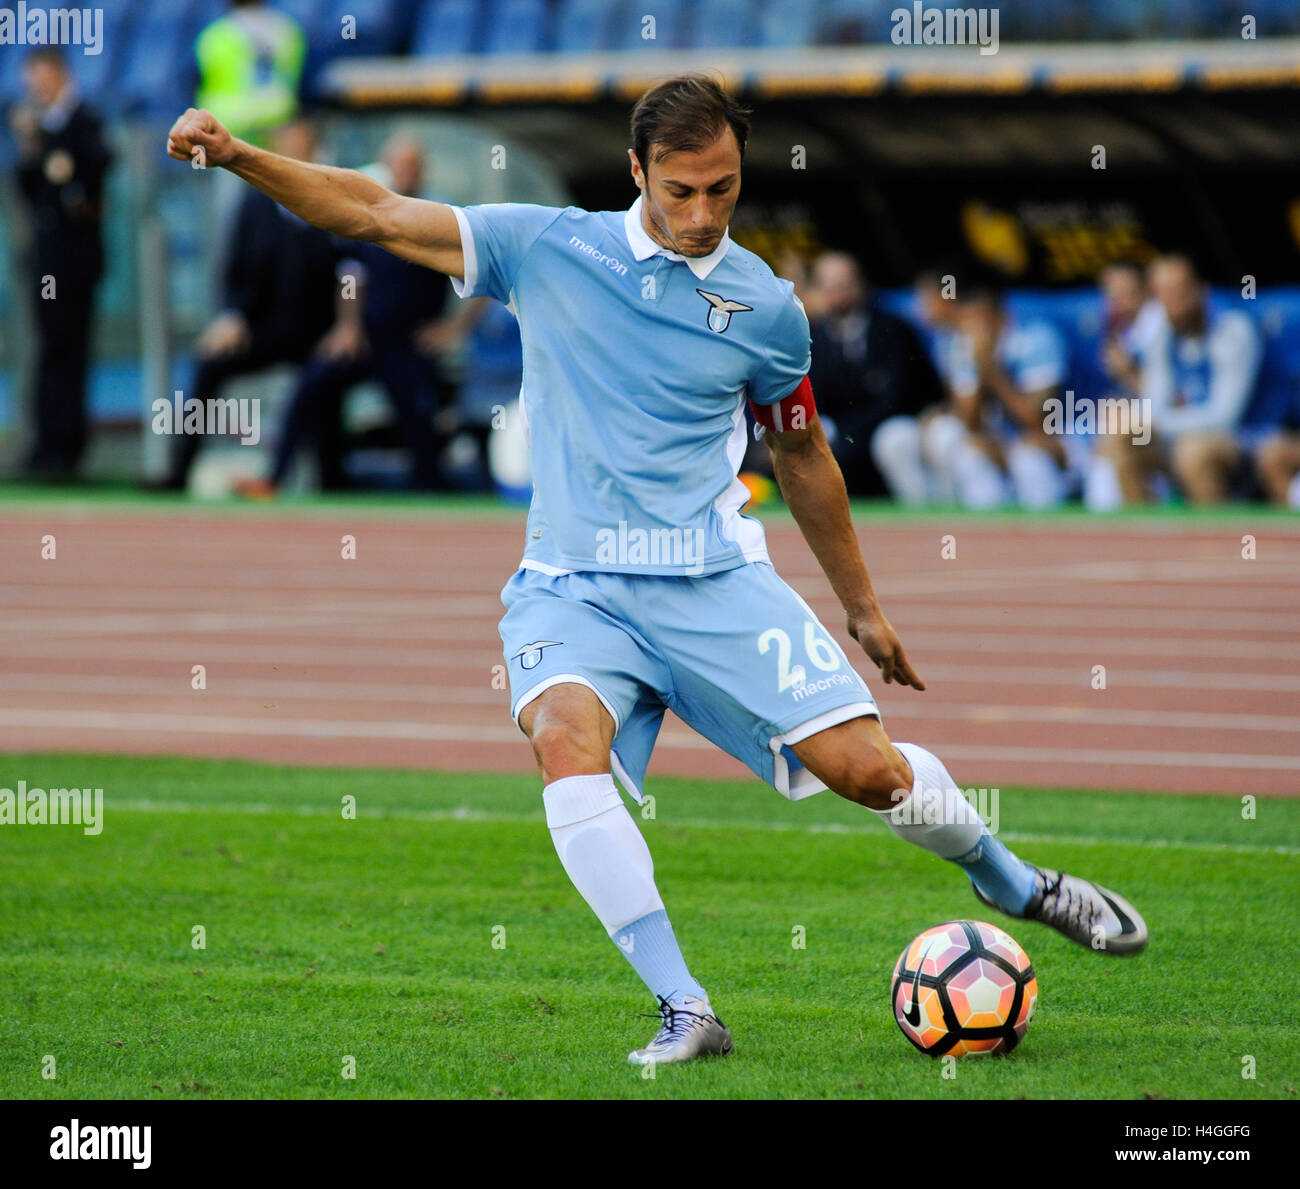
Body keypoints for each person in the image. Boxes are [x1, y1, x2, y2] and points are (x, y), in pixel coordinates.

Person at [165, 75, 1148, 1067]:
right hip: (571, 585)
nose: (702, 213)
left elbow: (802, 455)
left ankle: (1010, 881)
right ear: (636, 172)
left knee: (871, 772)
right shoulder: (547, 247)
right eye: (680, 190)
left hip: (713, 581)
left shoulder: (766, 307)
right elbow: (372, 208)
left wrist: (862, 605)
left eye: (722, 189)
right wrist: (242, 155)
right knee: (560, 738)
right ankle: (685, 1006)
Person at [237, 134, 456, 494]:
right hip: (365, 339)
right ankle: (274, 478)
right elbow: (352, 276)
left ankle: (428, 490)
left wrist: (453, 329)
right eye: (399, 164)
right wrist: (348, 327)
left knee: (417, 417)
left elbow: (479, 275)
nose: (405, 172)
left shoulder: (438, 214)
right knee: (311, 384)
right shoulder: (376, 215)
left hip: (408, 342)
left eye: (411, 165)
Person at [153, 119, 338, 491]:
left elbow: (348, 271)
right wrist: (232, 317)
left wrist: (342, 329)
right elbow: (235, 266)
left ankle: (329, 479)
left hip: (316, 333)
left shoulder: (333, 204)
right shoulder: (255, 205)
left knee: (324, 380)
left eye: (302, 146)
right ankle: (178, 471)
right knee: (209, 365)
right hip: (262, 327)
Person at [11, 46, 111, 478]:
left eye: (42, 78)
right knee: (50, 349)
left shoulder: (83, 122)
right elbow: (33, 189)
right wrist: (34, 148)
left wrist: (54, 155)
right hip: (47, 259)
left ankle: (64, 450)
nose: (36, 88)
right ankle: (46, 447)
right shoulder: (43, 130)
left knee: (70, 350)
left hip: (75, 260)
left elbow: (89, 178)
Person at [806, 252, 945, 502]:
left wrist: (840, 430)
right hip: (840, 440)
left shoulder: (893, 329)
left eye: (844, 285)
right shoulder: (812, 337)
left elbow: (898, 399)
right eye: (829, 286)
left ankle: (926, 514)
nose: (838, 294)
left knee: (895, 438)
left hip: (897, 425)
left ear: (861, 284)